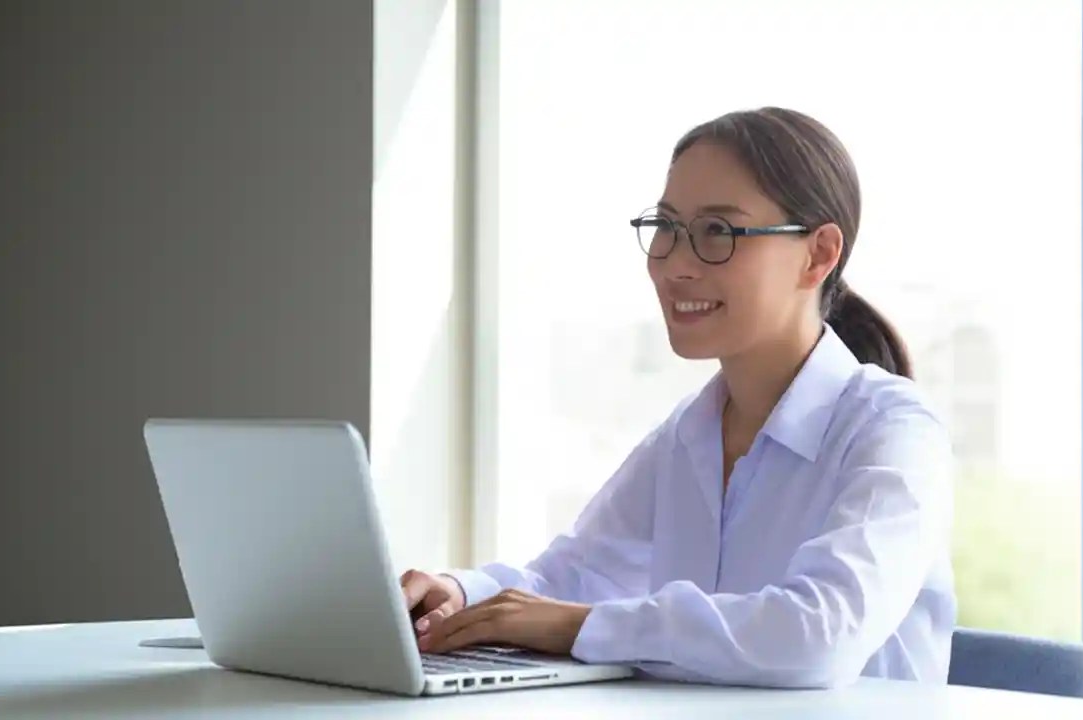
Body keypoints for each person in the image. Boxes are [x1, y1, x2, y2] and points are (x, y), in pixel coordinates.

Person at [400, 107, 956, 689]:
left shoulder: (893, 429)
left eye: (718, 231)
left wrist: (579, 627)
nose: (675, 264)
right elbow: (575, 575)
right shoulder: (690, 433)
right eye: (665, 227)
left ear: (818, 254)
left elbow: (818, 634)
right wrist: (462, 596)